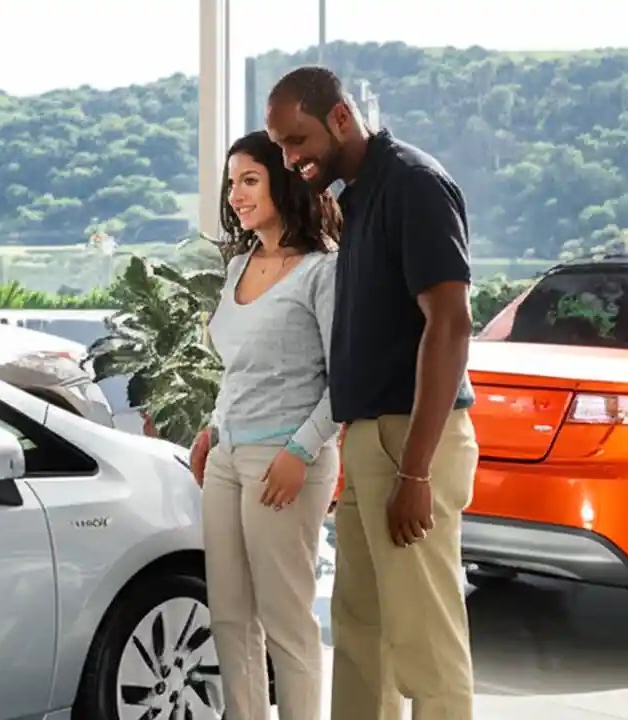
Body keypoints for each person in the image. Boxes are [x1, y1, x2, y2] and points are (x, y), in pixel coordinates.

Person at [264, 66, 479, 720]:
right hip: (372, 440)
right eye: (279, 147)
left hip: (412, 439)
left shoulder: (413, 185)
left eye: (297, 140)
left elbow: (451, 322)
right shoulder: (357, 197)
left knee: (424, 642)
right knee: (361, 634)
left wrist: (413, 467)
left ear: (339, 118)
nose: (290, 158)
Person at [189, 128, 342, 720]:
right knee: (229, 616)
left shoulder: (321, 270)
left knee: (287, 623)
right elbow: (241, 366)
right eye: (232, 184)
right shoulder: (241, 265)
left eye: (249, 180)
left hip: (285, 459)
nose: (236, 195)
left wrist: (300, 452)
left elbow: (342, 379)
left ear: (282, 182)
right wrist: (212, 428)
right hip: (228, 457)